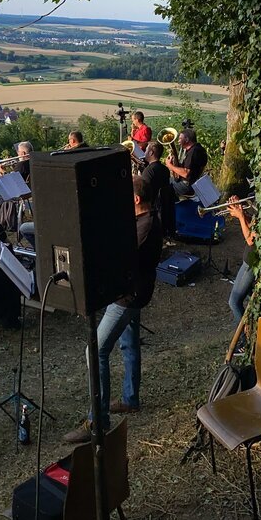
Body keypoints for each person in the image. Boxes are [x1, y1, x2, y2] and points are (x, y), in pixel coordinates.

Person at [66, 175, 162, 442]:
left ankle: (98, 421)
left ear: (135, 199)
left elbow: (122, 261)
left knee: (95, 351)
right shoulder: (145, 219)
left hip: (127, 297)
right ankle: (131, 399)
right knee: (129, 344)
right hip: (133, 292)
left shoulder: (146, 227)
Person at [226, 199, 258, 322]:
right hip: (251, 259)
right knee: (251, 299)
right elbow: (253, 227)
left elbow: (250, 240)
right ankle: (250, 331)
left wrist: (240, 216)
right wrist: (241, 212)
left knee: (233, 301)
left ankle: (244, 338)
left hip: (252, 260)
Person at [0, 141, 33, 213]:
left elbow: (8, 183)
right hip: (28, 191)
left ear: (23, 153)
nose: (17, 153)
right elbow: (19, 174)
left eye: (18, 151)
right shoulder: (33, 162)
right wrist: (13, 167)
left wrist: (2, 171)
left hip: (15, 193)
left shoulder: (21, 165)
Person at [166, 129, 209, 197]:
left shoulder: (193, 152)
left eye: (180, 138)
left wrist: (170, 166)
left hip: (187, 185)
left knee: (162, 185)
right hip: (190, 183)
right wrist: (174, 162)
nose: (178, 141)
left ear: (187, 139)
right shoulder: (197, 148)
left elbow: (186, 173)